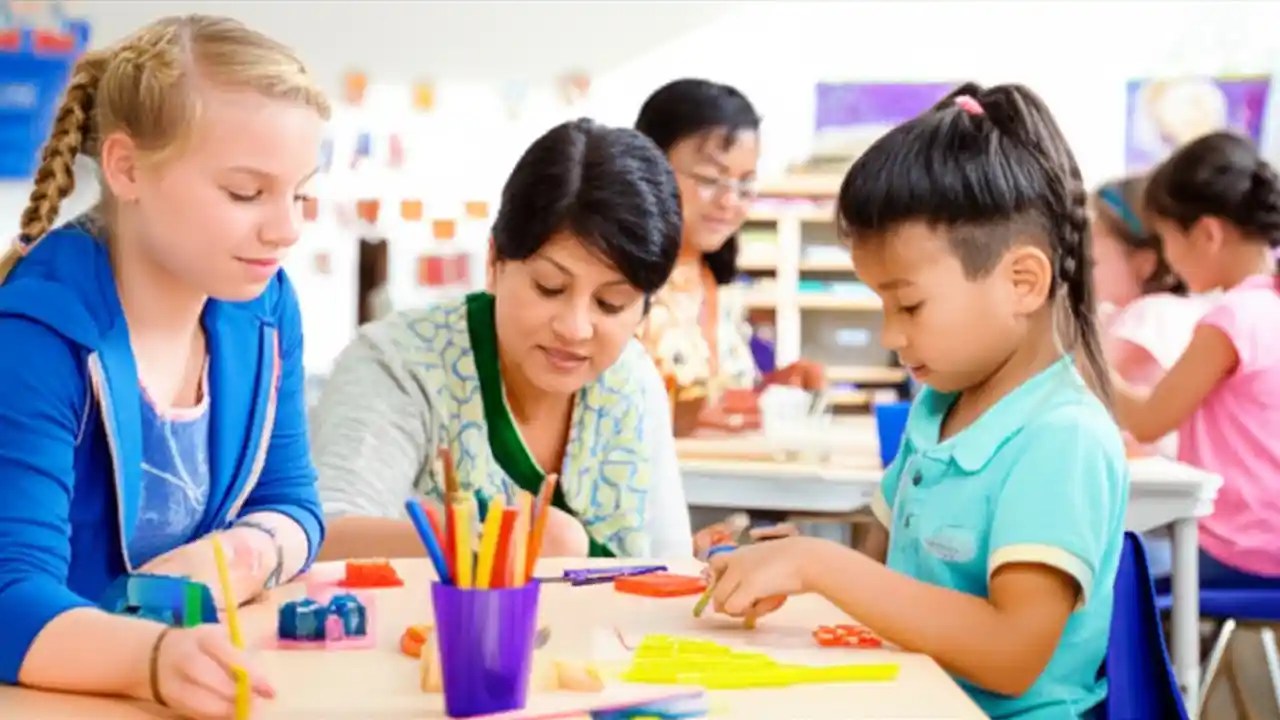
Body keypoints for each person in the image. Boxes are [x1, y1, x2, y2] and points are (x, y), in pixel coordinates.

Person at [705, 83, 1128, 719]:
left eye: (909, 304)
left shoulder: (1061, 437)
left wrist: (823, 566)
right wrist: (785, 563)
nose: (890, 334)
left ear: (1023, 281)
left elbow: (1011, 656)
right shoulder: (940, 409)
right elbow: (901, 588)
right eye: (882, 304)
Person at [0, 15, 328, 719]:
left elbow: (295, 500)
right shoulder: (37, 335)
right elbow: (9, 598)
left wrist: (239, 556)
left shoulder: (263, 306)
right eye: (246, 193)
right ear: (126, 168)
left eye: (299, 192)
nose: (287, 227)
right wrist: (151, 661)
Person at [312, 118, 694, 561]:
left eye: (611, 303)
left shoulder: (632, 378)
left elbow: (673, 565)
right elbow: (326, 541)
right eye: (549, 287)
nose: (575, 328)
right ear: (494, 262)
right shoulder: (399, 363)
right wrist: (496, 541)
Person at [1111, 131, 1280, 588]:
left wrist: (1084, 358)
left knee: (1116, 568)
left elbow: (1148, 421)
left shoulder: (1232, 318)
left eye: (1165, 238)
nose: (1167, 257)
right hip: (1270, 549)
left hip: (1244, 552)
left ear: (1207, 233)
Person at [634, 79, 824, 432]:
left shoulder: (710, 280)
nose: (730, 201)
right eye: (710, 178)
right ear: (649, 168)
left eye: (745, 184)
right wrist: (680, 419)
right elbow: (585, 413)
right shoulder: (619, 284)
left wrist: (773, 389)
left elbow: (716, 400)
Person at [1090, 177, 1209, 456]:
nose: (1082, 273)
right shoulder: (1173, 310)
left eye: (1093, 262)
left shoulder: (1151, 314)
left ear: (1144, 263)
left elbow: (1085, 377)